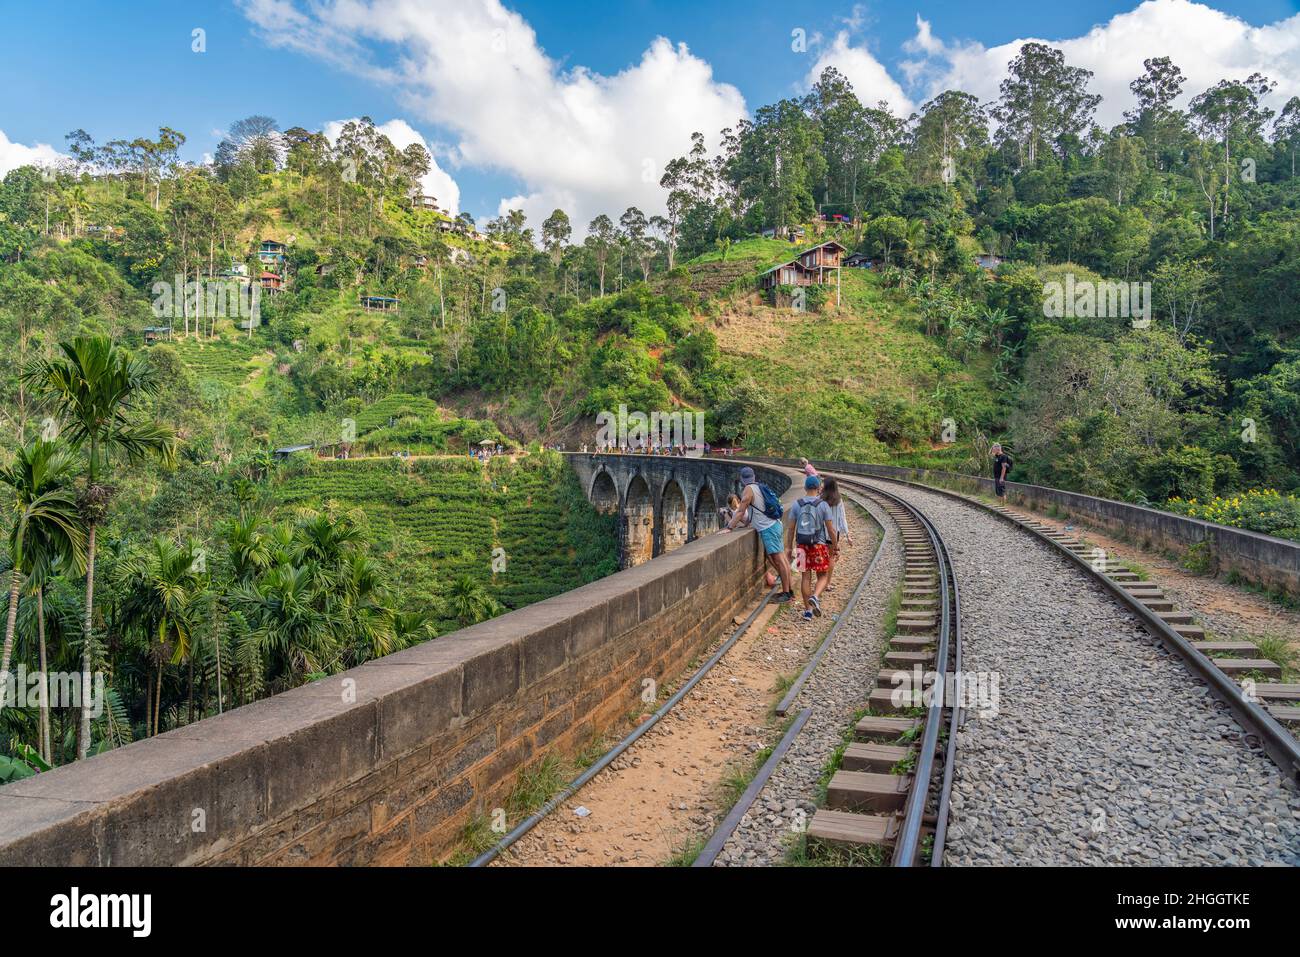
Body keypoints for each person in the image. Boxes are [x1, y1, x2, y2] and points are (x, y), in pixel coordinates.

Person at [721, 466, 793, 603]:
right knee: (782, 559)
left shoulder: (748, 490)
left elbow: (741, 511)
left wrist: (730, 527)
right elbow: (751, 515)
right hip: (775, 524)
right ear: (754, 476)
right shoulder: (759, 486)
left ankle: (786, 594)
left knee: (779, 560)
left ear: (742, 479)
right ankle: (789, 591)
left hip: (769, 528)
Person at [785, 475, 837, 621]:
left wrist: (789, 548)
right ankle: (815, 596)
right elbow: (831, 530)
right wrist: (835, 546)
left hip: (802, 546)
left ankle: (807, 611)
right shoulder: (823, 505)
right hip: (818, 546)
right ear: (819, 488)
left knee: (805, 577)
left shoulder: (797, 504)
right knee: (823, 576)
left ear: (805, 488)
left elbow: (790, 529)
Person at [821, 477, 852, 590]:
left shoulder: (820, 499)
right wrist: (847, 534)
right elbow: (842, 518)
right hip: (833, 533)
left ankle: (821, 581)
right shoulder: (838, 500)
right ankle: (827, 583)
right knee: (831, 557)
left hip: (821, 533)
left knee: (822, 557)